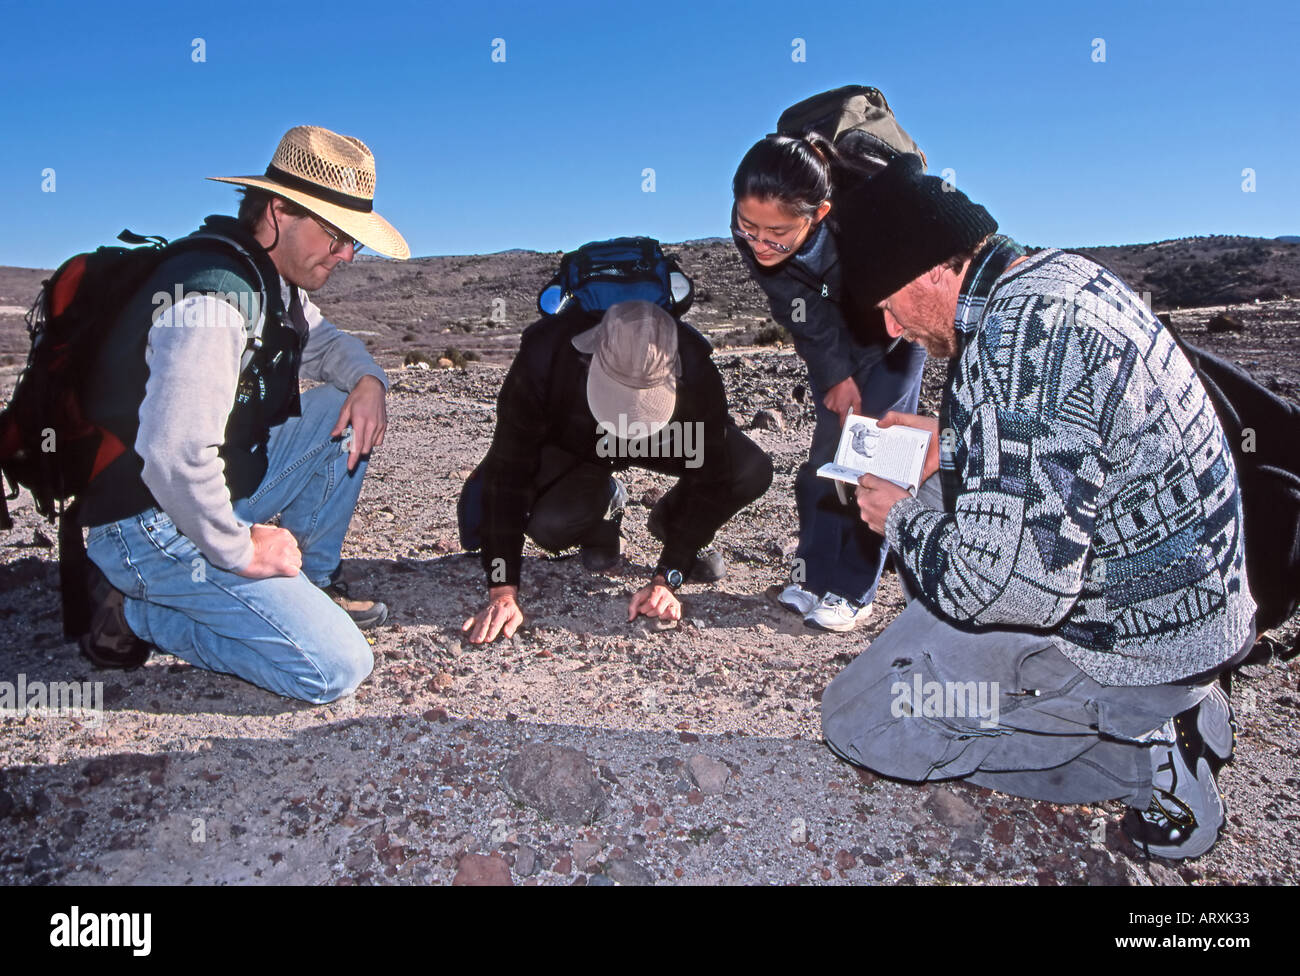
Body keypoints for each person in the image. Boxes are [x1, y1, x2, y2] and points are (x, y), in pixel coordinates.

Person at [820, 154, 1257, 859]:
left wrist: (899, 519)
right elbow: (1075, 441)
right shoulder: (1052, 282)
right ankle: (1146, 705)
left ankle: (1145, 749)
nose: (894, 329)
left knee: (863, 724)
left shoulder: (1015, 343)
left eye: (889, 303)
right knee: (938, 495)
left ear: (931, 266)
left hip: (1136, 649)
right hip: (1188, 607)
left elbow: (1009, 590)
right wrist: (951, 440)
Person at [77, 125, 409, 703]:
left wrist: (369, 381)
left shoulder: (270, 278)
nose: (348, 254)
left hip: (211, 491)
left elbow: (327, 344)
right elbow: (175, 458)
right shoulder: (214, 301)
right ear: (279, 211)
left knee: (339, 407)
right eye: (336, 234)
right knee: (334, 669)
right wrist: (240, 550)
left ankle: (311, 584)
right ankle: (132, 613)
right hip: (148, 520)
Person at [461, 300, 772, 644]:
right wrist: (502, 592)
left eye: (643, 400)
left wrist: (667, 578)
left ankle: (670, 522)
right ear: (589, 355)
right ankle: (603, 514)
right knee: (550, 527)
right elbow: (508, 474)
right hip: (579, 444)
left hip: (662, 440)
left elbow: (711, 475)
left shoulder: (697, 370)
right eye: (619, 396)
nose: (628, 416)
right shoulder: (544, 357)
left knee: (749, 468)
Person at [731, 134, 928, 632]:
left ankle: (855, 589)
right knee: (826, 457)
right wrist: (835, 375)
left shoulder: (867, 220)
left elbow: (911, 294)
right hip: (836, 337)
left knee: (875, 452)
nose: (759, 243)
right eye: (747, 226)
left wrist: (867, 367)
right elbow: (798, 313)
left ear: (818, 214)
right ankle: (814, 574)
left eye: (776, 233)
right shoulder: (756, 232)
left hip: (896, 330)